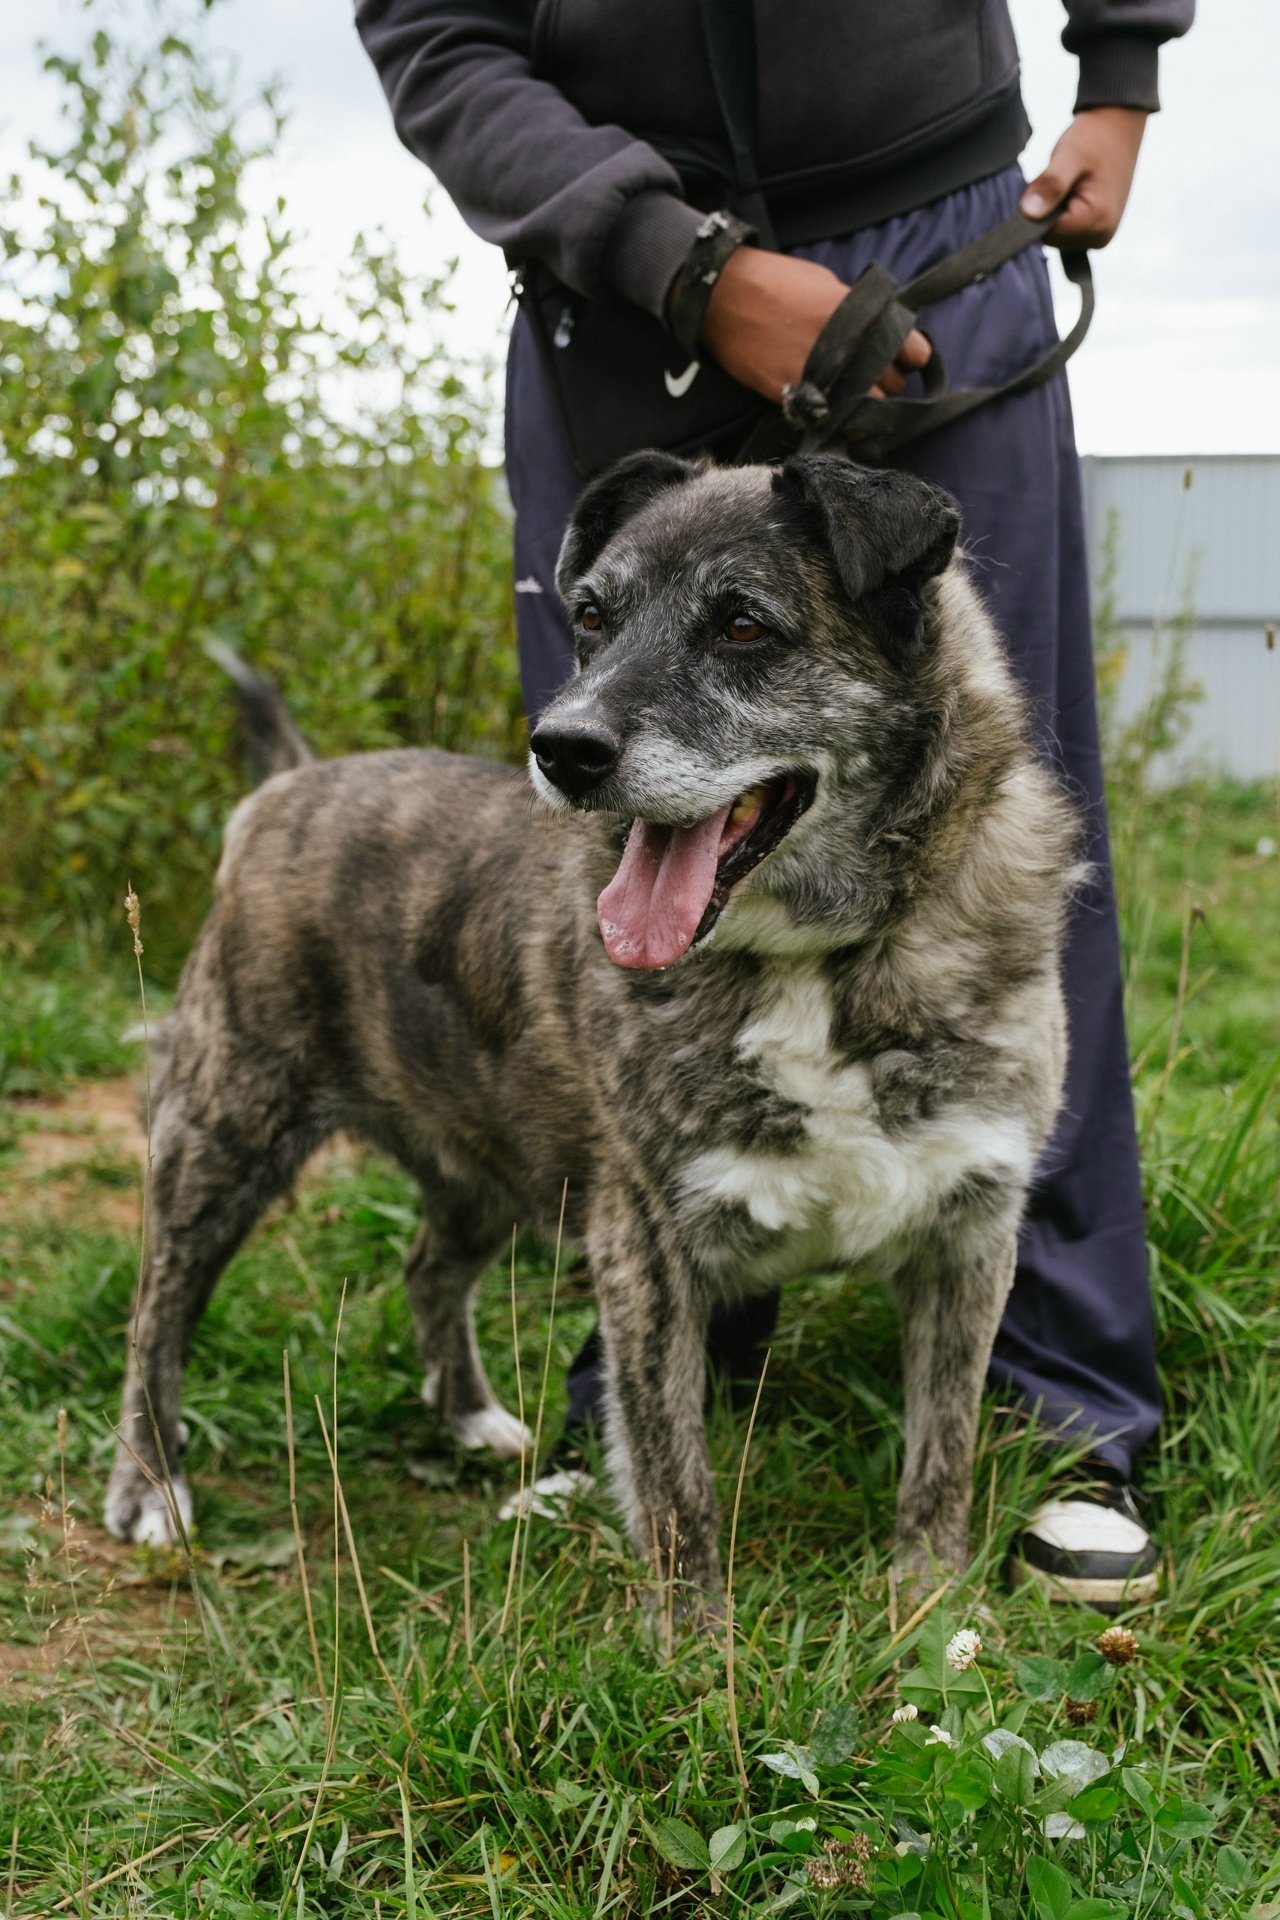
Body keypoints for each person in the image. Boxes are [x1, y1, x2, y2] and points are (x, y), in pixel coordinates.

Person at [356, 0, 1193, 1607]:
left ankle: (1063, 1404)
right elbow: (433, 25)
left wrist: (1124, 68)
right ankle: (652, 1364)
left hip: (937, 215)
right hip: (616, 269)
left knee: (992, 818)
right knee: (622, 793)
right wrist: (675, 260)